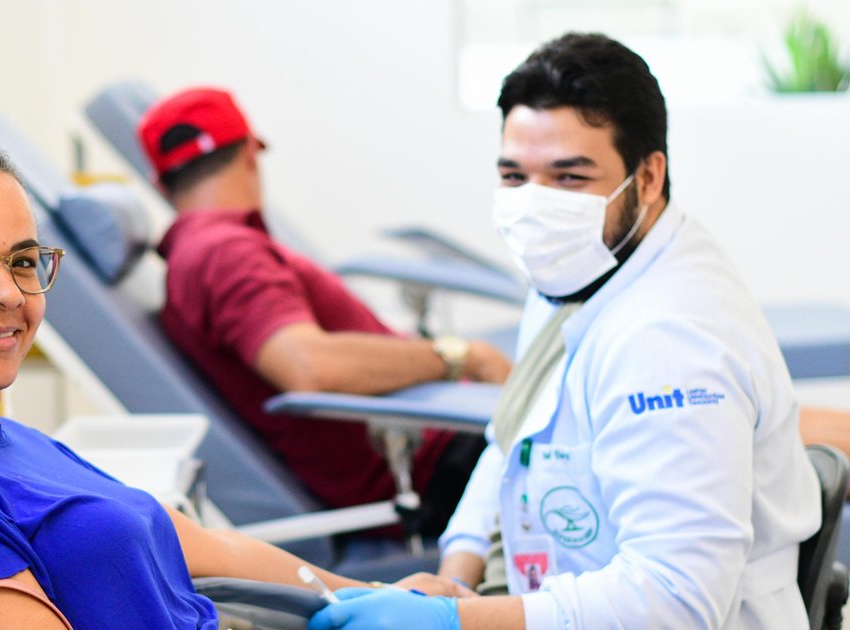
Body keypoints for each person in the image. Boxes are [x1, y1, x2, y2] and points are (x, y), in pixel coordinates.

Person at [0, 131, 460, 630]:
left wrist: (378, 597)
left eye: (23, 261)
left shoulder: (13, 442)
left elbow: (208, 547)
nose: (7, 294)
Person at [309, 32, 820, 629]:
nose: (536, 207)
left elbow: (679, 601)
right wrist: (457, 573)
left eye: (570, 178)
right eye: (514, 177)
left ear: (649, 177)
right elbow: (511, 438)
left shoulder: (671, 338)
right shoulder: (578, 266)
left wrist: (459, 622)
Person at [137, 87, 513, 536]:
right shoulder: (226, 253)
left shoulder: (203, 250)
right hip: (438, 466)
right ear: (250, 154)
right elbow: (308, 366)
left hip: (432, 434)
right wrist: (463, 356)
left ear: (162, 185)